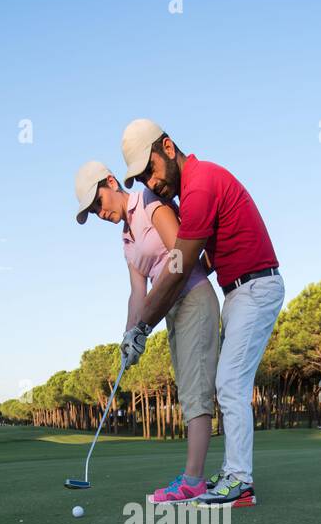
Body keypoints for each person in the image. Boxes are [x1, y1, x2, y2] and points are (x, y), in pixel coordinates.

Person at [119, 120, 284, 506]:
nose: (150, 183)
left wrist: (142, 324)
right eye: (141, 177)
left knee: (229, 383)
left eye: (151, 170)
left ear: (169, 148)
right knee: (228, 384)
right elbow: (198, 261)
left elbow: (180, 267)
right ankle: (231, 474)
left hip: (256, 287)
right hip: (238, 291)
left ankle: (240, 481)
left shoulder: (201, 183)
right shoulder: (195, 189)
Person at [74, 160, 220, 502]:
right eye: (92, 211)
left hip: (194, 298)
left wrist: (145, 322)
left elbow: (179, 257)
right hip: (169, 310)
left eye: (98, 202)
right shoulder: (126, 239)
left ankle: (193, 481)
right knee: (188, 391)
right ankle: (193, 476)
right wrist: (129, 335)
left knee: (197, 390)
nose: (99, 212)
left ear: (111, 181)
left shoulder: (149, 200)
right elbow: (137, 293)